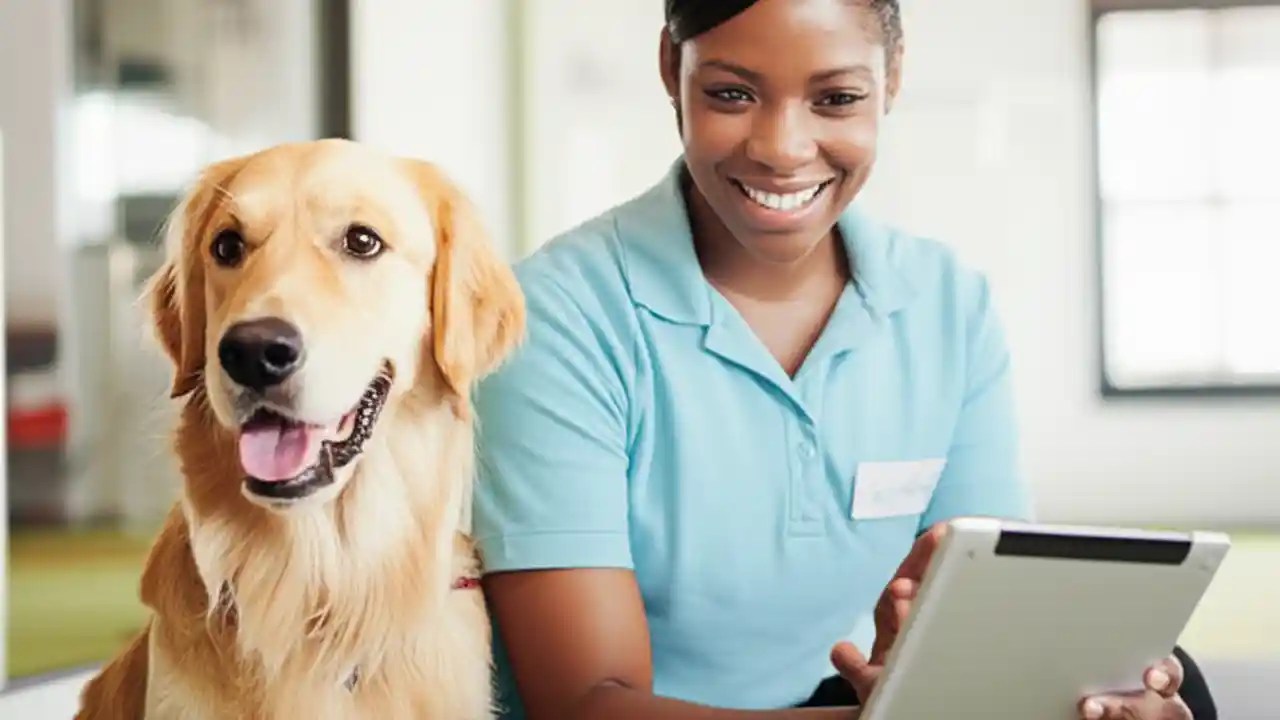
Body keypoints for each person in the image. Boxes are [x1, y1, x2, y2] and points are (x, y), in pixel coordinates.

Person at [471, 1, 1218, 718]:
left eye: (835, 99)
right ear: (672, 68)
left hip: (856, 704)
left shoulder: (946, 303)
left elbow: (988, 608)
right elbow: (584, 704)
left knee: (1172, 689)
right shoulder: (555, 316)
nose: (782, 148)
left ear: (891, 78)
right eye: (731, 94)